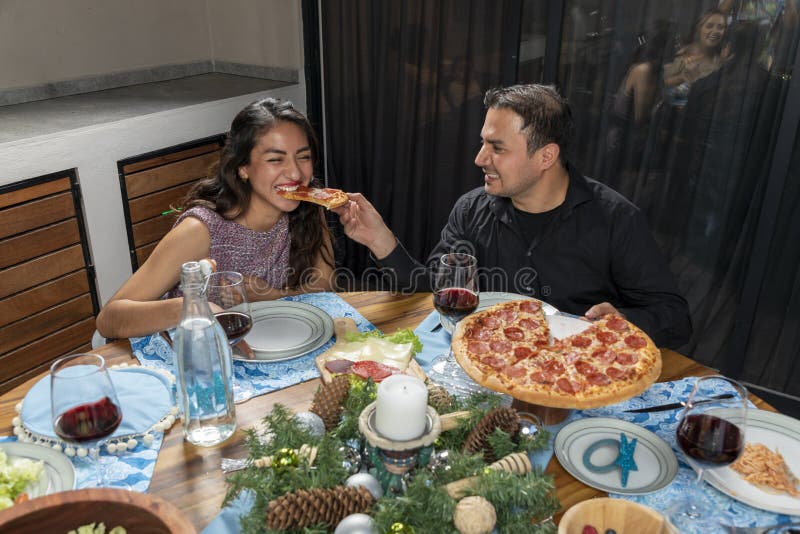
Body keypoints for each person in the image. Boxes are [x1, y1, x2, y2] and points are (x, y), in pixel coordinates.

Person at [334, 84, 692, 349]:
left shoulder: (616, 218)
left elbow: (675, 318)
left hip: (573, 373)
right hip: (490, 364)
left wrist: (625, 320)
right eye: (483, 142)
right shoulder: (471, 209)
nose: (480, 158)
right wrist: (381, 241)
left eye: (497, 148)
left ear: (546, 157)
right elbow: (437, 293)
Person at [96, 98, 335, 340]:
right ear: (243, 167)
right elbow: (109, 319)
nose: (295, 173)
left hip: (274, 339)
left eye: (303, 157)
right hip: (194, 352)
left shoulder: (310, 205)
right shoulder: (201, 229)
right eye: (275, 159)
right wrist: (193, 307)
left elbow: (323, 286)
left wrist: (270, 296)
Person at [663, 10, 728, 106]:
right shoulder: (681, 57)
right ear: (699, 29)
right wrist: (686, 79)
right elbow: (671, 99)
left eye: (720, 27)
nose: (715, 31)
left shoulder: (722, 60)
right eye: (709, 26)